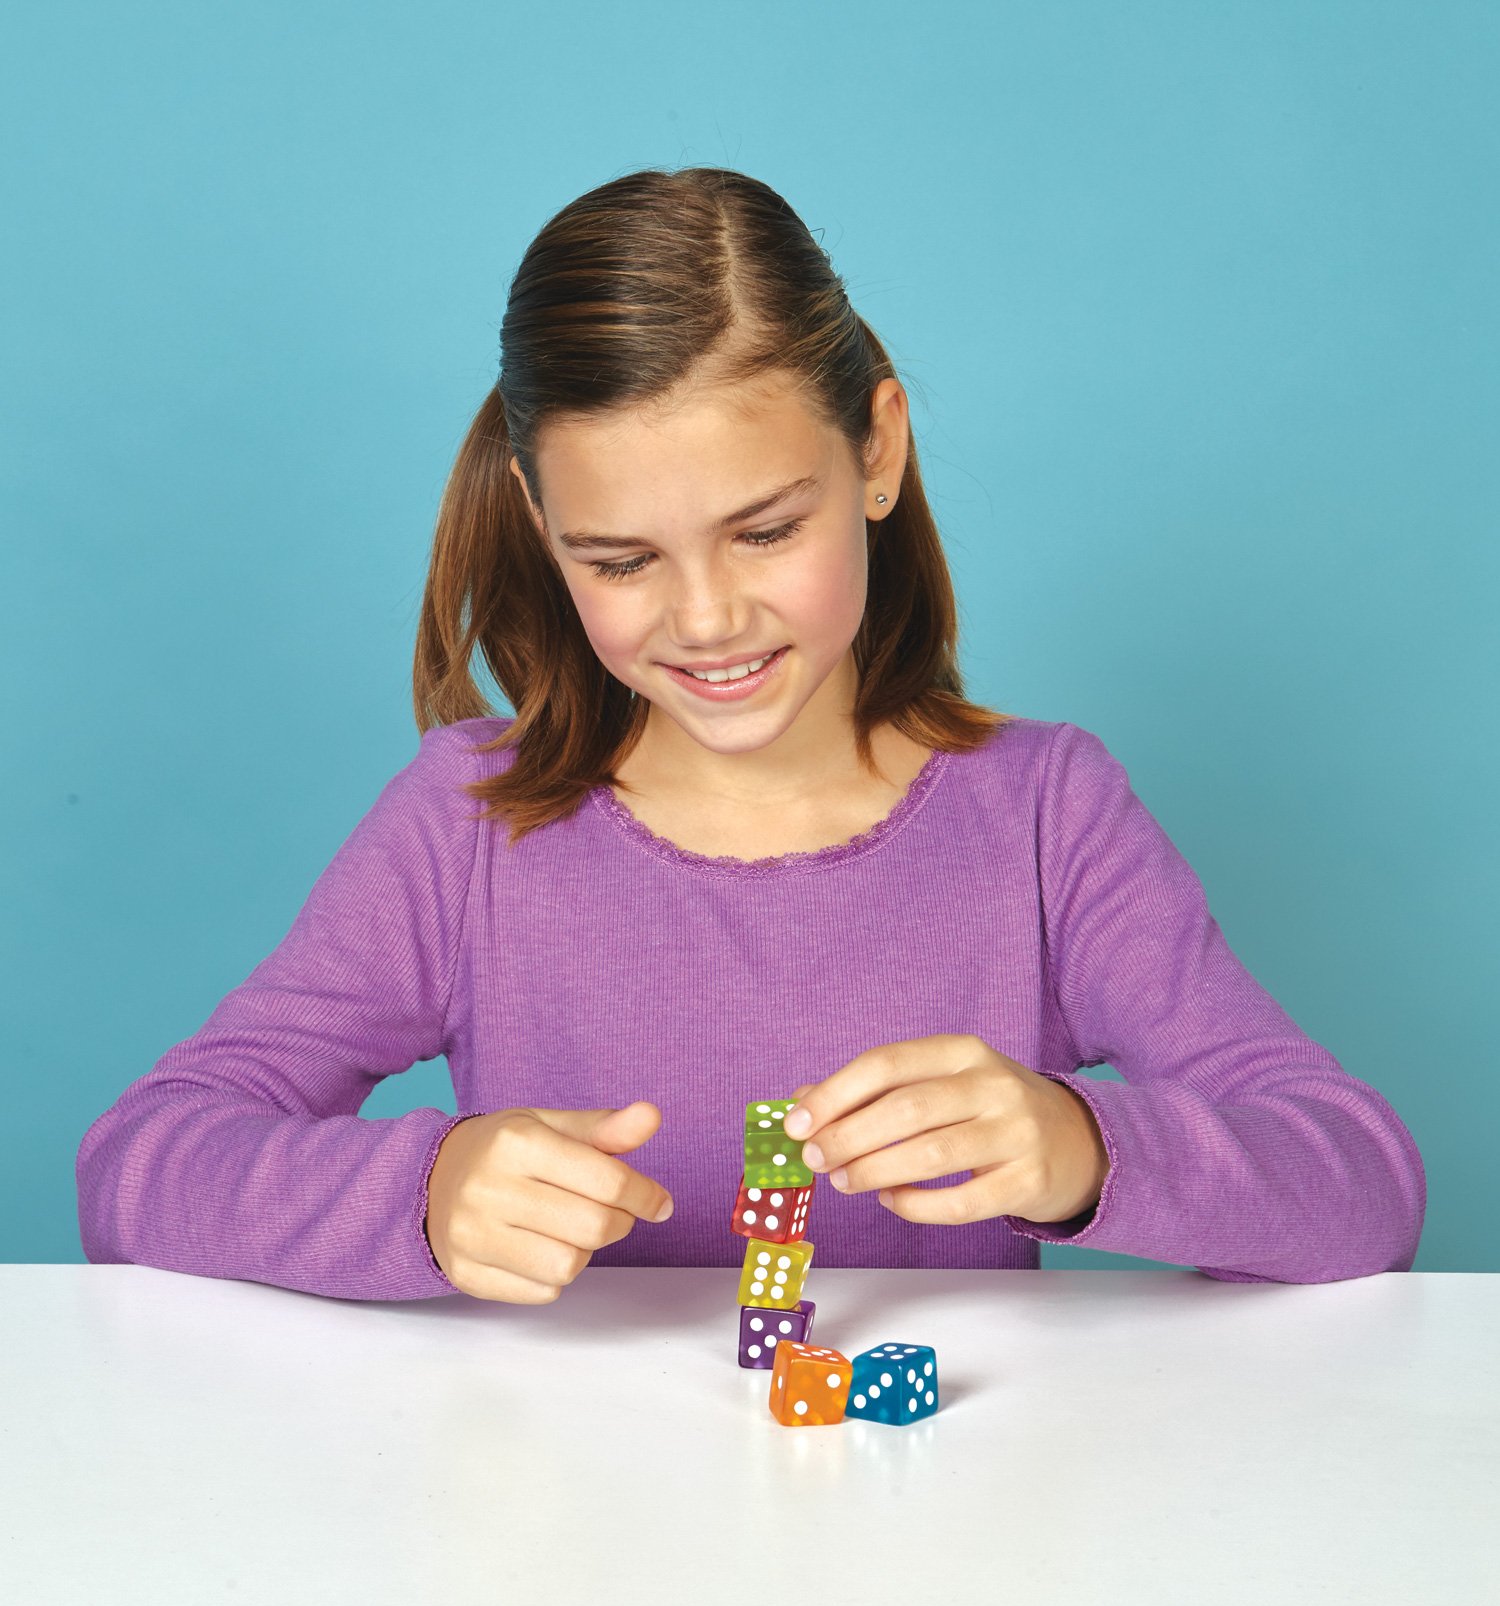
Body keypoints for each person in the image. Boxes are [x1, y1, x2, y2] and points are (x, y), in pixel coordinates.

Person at [75, 166, 1426, 1305]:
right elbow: (138, 1163)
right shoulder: (468, 823)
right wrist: (424, 1193)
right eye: (620, 558)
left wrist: (1085, 1145)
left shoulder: (1044, 819)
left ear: (878, 453)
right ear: (542, 530)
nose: (708, 618)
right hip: (570, 1542)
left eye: (767, 530)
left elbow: (1362, 1183)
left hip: (941, 1540)